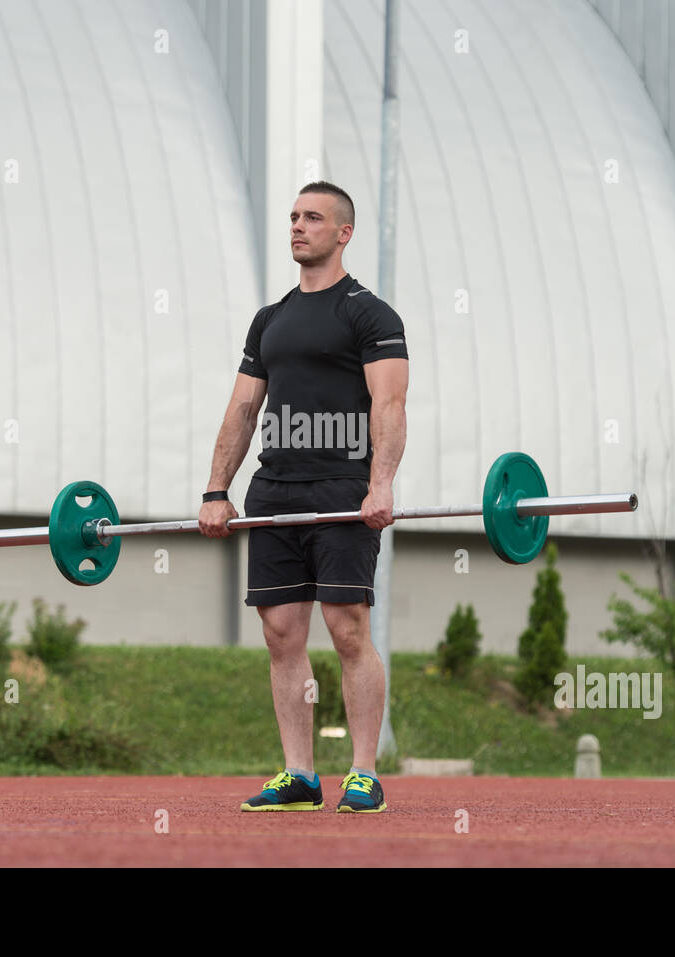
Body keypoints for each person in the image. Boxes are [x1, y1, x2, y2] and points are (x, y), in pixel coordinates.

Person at [199, 181, 408, 813]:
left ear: (343, 232)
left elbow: (390, 404)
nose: (297, 226)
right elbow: (242, 407)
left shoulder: (370, 314)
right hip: (276, 489)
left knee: (348, 629)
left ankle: (363, 773)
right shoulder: (270, 320)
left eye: (312, 218)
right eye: (293, 217)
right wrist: (216, 489)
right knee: (281, 632)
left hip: (344, 488)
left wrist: (380, 484)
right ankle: (299, 775)